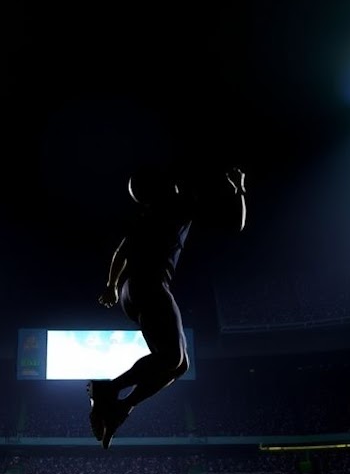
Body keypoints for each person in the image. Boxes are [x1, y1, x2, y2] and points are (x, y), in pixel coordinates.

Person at [87, 164, 247, 448]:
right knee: (173, 359)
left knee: (179, 364)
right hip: (150, 286)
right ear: (162, 188)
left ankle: (122, 408)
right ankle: (107, 391)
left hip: (131, 291)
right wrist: (239, 188)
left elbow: (121, 251)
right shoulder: (178, 205)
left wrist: (111, 285)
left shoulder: (145, 215)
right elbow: (236, 224)